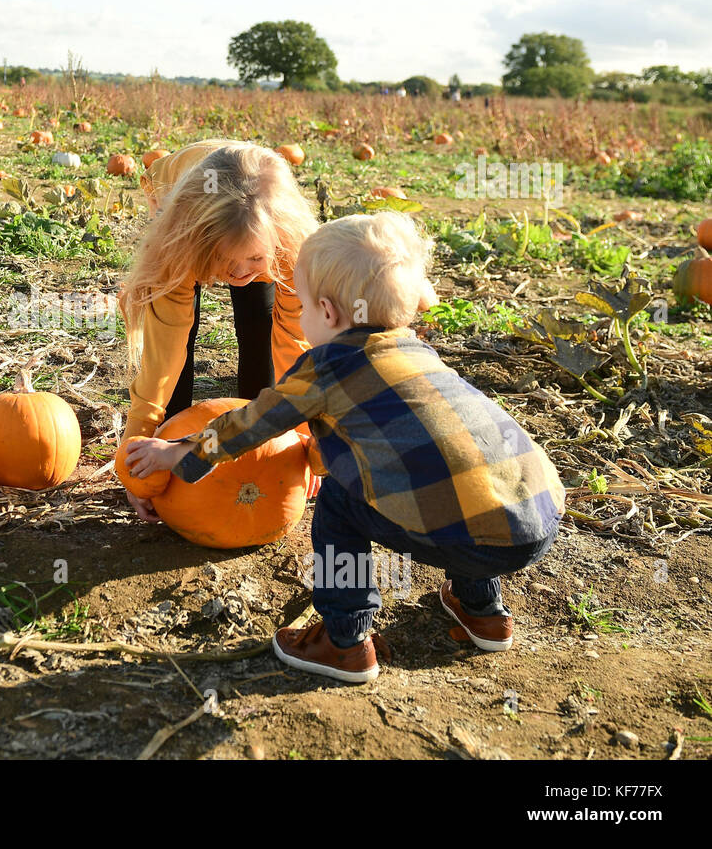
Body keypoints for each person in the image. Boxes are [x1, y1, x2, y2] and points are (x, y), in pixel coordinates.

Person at [124, 212, 563, 683]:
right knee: (459, 479)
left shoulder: (327, 368)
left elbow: (251, 424)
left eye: (305, 309)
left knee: (339, 502)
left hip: (463, 534)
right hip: (538, 516)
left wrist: (181, 452)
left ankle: (346, 640)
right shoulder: (419, 354)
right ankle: (484, 610)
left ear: (329, 313)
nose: (302, 319)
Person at [118, 141, 321, 521]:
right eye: (226, 262)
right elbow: (163, 352)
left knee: (259, 325)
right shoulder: (178, 243)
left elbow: (294, 342)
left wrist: (304, 435)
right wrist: (137, 447)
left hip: (254, 211)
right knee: (182, 331)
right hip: (178, 194)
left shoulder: (293, 250)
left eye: (254, 259)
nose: (241, 271)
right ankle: (171, 436)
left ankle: (253, 429)